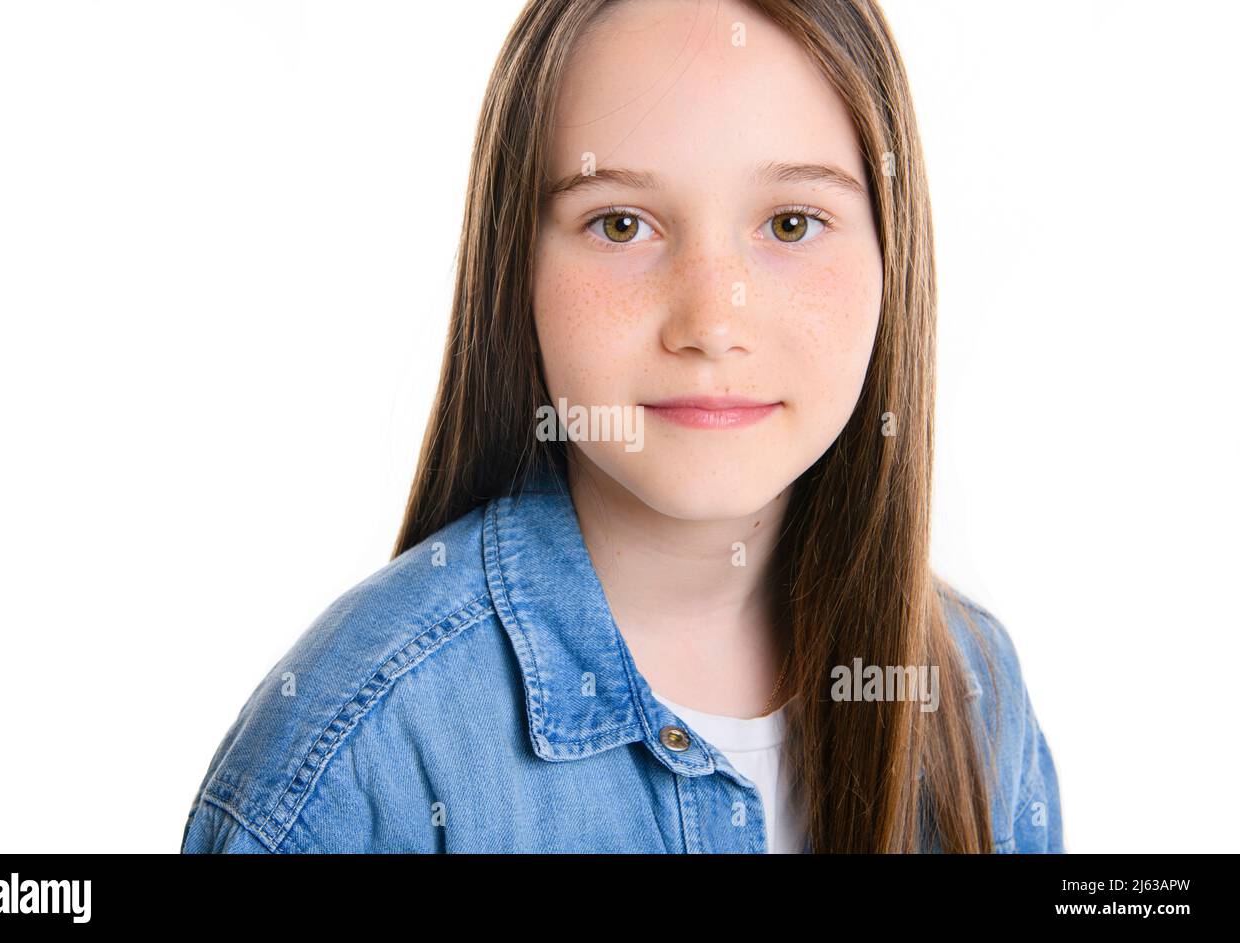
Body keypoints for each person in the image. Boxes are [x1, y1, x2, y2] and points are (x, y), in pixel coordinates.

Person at [181, 0, 1063, 854]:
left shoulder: (976, 690)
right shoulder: (361, 754)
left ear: (891, 254)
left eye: (792, 223)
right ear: (516, 265)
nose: (713, 321)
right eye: (621, 223)